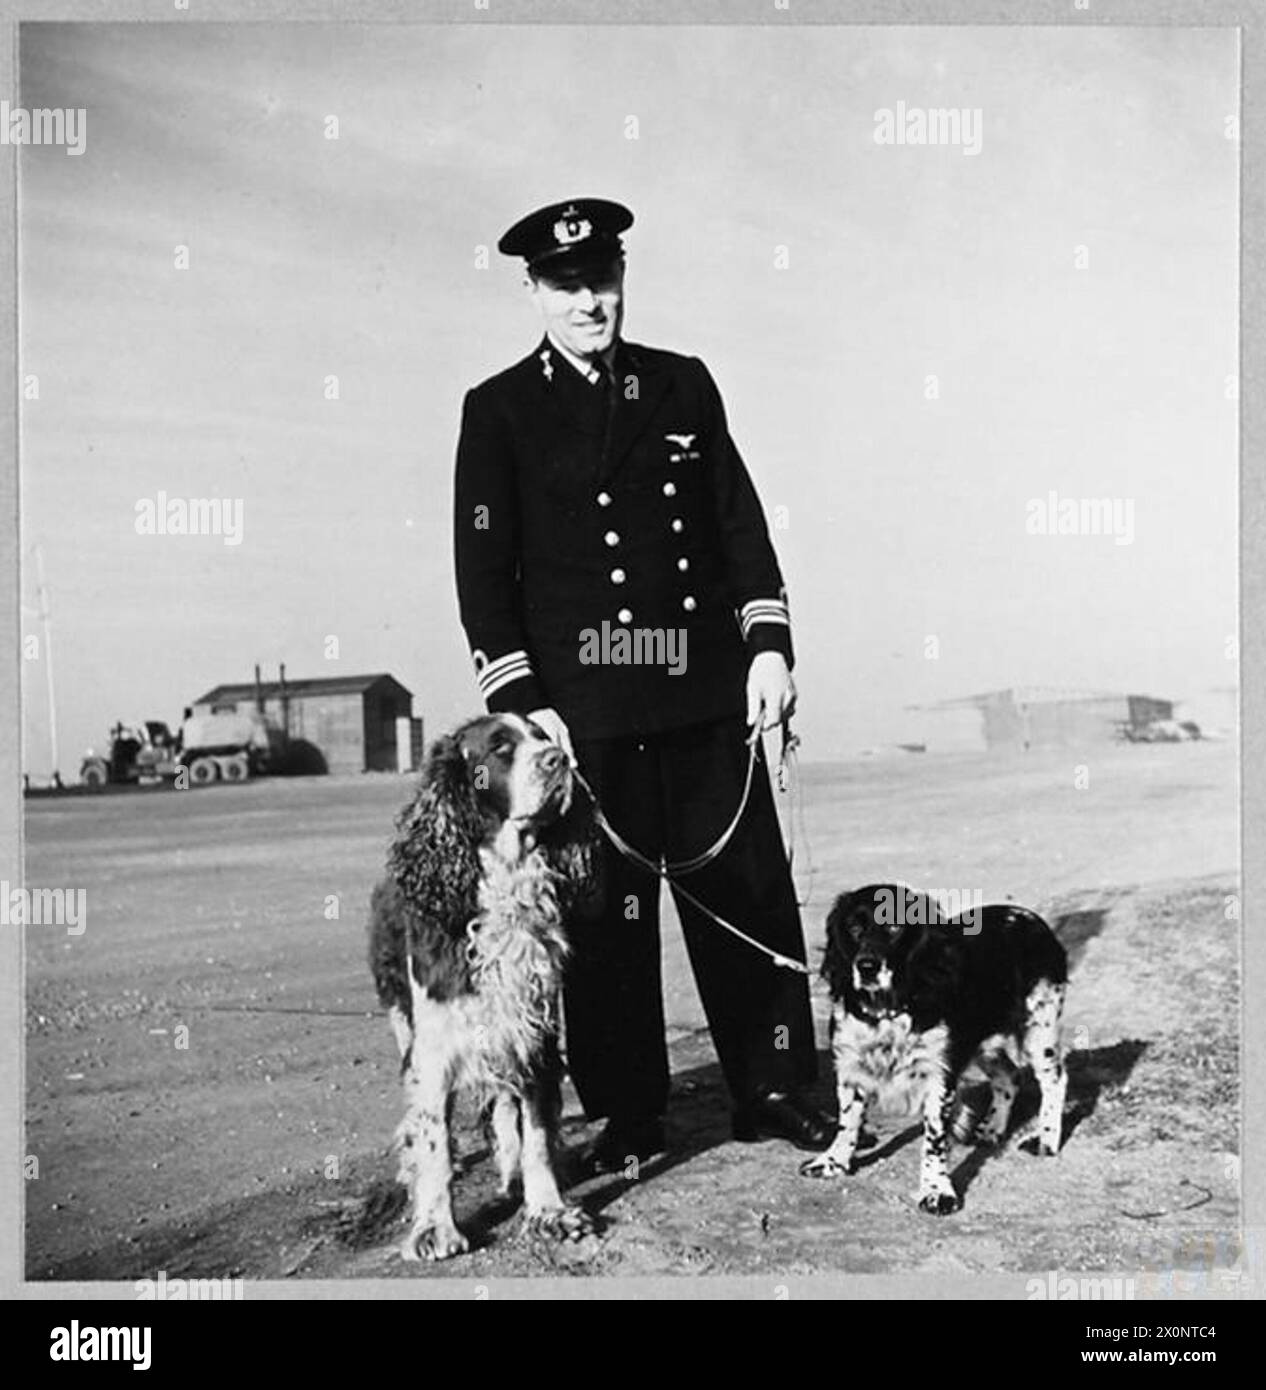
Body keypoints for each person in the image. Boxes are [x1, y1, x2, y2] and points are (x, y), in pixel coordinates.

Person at [452, 197, 828, 1170]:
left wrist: (769, 647)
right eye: (568, 285)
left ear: (622, 277)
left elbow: (738, 524)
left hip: (703, 688)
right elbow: (485, 576)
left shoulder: (682, 385)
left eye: (603, 278)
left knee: (744, 897)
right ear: (536, 290)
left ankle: (776, 1083)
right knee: (606, 923)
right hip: (586, 715)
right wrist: (524, 701)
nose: (590, 300)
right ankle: (630, 1111)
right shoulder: (497, 411)